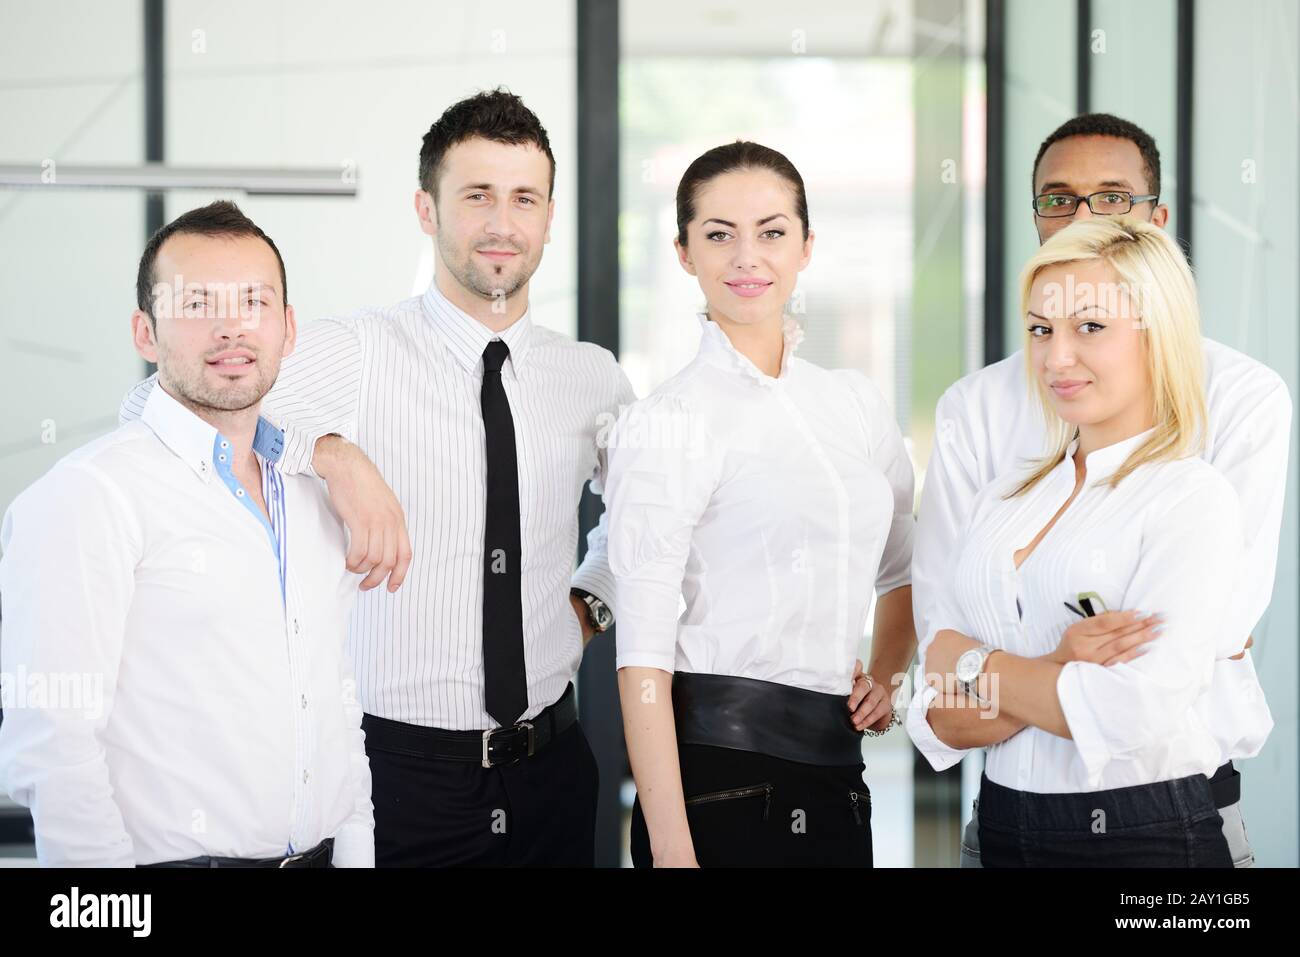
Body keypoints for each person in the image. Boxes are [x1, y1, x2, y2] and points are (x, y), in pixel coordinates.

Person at [119, 89, 633, 867]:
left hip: (553, 773)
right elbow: (150, 407)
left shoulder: (592, 378)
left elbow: (649, 520)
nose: (502, 222)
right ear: (426, 210)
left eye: (524, 198)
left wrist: (594, 597)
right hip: (397, 778)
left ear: (550, 216)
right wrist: (329, 451)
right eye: (476, 196)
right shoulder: (355, 354)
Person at [910, 113, 1289, 867]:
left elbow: (1192, 653)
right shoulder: (1000, 463)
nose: (1083, 217)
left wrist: (984, 662)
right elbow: (935, 676)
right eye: (1060, 199)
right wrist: (1052, 659)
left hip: (1159, 813)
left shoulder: (1221, 435)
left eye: (1112, 197)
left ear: (1157, 221)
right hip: (1007, 818)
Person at [0, 201, 372, 867]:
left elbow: (337, 713)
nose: (232, 325)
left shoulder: (315, 496)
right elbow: (53, 745)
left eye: (254, 300)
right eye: (197, 302)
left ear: (288, 329)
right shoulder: (88, 495)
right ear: (145, 333)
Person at [608, 141, 916, 868]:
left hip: (840, 778)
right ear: (684, 252)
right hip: (719, 785)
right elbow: (642, 657)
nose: (748, 257)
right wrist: (673, 846)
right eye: (719, 234)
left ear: (807, 247)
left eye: (773, 232)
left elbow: (904, 567)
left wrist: (889, 674)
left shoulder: (853, 403)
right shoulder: (668, 420)